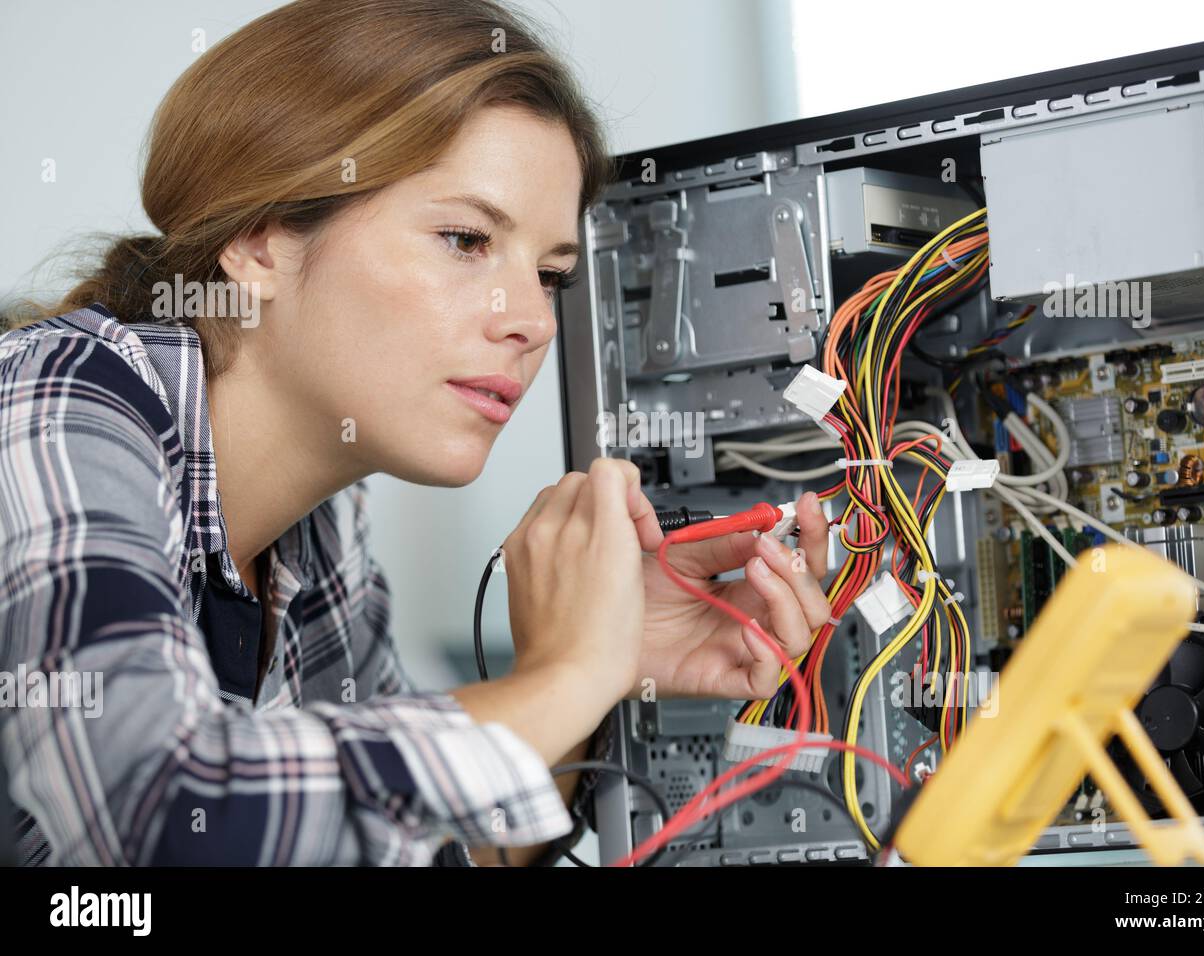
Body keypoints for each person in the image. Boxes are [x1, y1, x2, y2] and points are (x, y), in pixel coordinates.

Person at [0, 0, 831, 866]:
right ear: (258, 240)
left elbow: (412, 851)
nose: (534, 324)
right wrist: (566, 674)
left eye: (550, 274)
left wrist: (607, 668)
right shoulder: (54, 398)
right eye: (466, 239)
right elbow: (163, 813)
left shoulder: (322, 529)